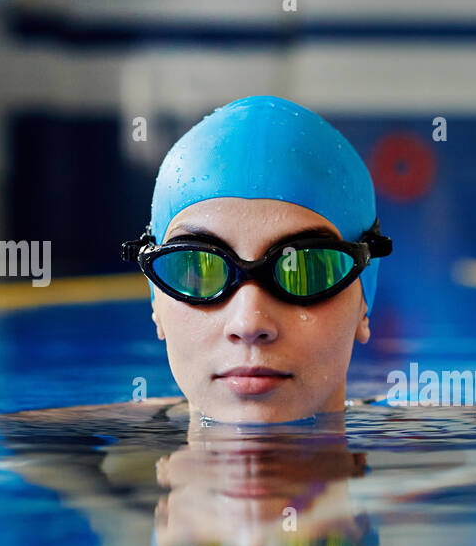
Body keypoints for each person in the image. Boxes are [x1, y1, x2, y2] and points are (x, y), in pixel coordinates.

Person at [121, 94, 392, 425]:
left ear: (364, 304)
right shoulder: (73, 453)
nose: (249, 324)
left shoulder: (449, 458)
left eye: (305, 270)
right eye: (197, 270)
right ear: (157, 305)